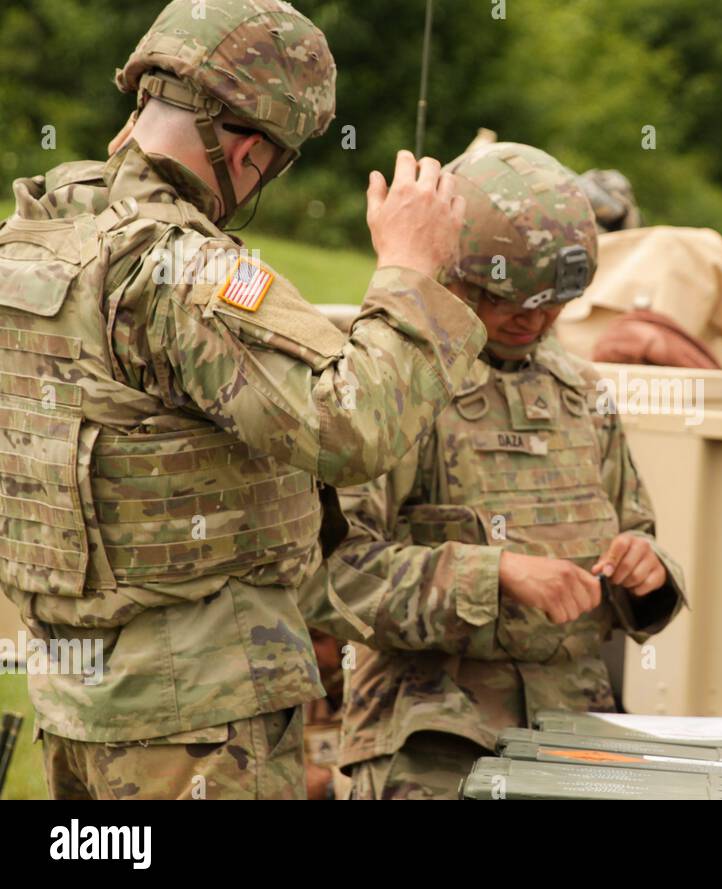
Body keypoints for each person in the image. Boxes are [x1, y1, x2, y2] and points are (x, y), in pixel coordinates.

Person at [0, 0, 485, 799]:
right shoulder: (187, 270)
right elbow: (350, 429)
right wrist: (408, 270)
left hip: (75, 700)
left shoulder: (39, 236)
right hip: (197, 718)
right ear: (250, 147)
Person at [314, 142, 686, 799]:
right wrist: (497, 573)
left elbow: (637, 531)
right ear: (453, 271)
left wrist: (647, 568)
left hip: (575, 739)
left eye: (554, 301)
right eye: (508, 296)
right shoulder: (394, 385)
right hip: (434, 752)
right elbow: (333, 576)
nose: (534, 318)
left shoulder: (580, 394)